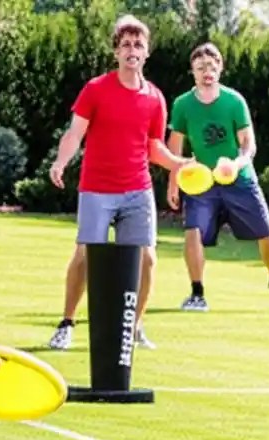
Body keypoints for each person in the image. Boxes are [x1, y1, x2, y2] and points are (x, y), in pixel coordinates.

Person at [46, 14, 190, 352]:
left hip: (137, 190)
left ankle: (133, 326)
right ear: (116, 52)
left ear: (147, 52)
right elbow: (75, 133)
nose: (132, 50)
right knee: (85, 255)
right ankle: (66, 323)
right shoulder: (96, 89)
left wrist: (179, 164)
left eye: (138, 44)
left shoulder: (155, 98)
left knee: (147, 259)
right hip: (97, 188)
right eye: (125, 44)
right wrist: (61, 161)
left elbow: (154, 148)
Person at [166, 42, 269, 311]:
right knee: (192, 232)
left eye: (212, 66)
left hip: (239, 179)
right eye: (201, 67)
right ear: (192, 71)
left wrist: (236, 164)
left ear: (220, 68)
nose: (207, 71)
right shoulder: (182, 104)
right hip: (200, 180)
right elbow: (175, 145)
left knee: (267, 232)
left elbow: (248, 145)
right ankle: (197, 293)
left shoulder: (234, 101)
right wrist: (174, 180)